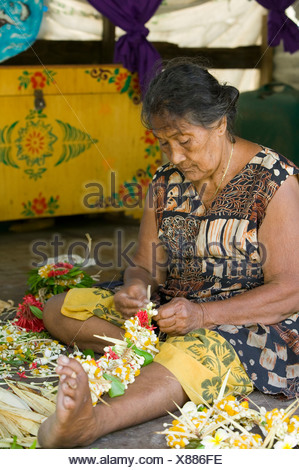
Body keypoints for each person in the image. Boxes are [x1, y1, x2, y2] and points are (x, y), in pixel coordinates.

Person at [38, 58, 299, 448]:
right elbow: (146, 266)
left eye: (185, 141)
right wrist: (137, 291)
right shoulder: (165, 182)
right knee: (61, 308)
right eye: (164, 143)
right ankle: (167, 360)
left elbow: (291, 289)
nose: (174, 156)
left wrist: (204, 316)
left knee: (197, 352)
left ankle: (95, 420)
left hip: (248, 324)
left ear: (220, 124)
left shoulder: (273, 178)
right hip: (175, 312)